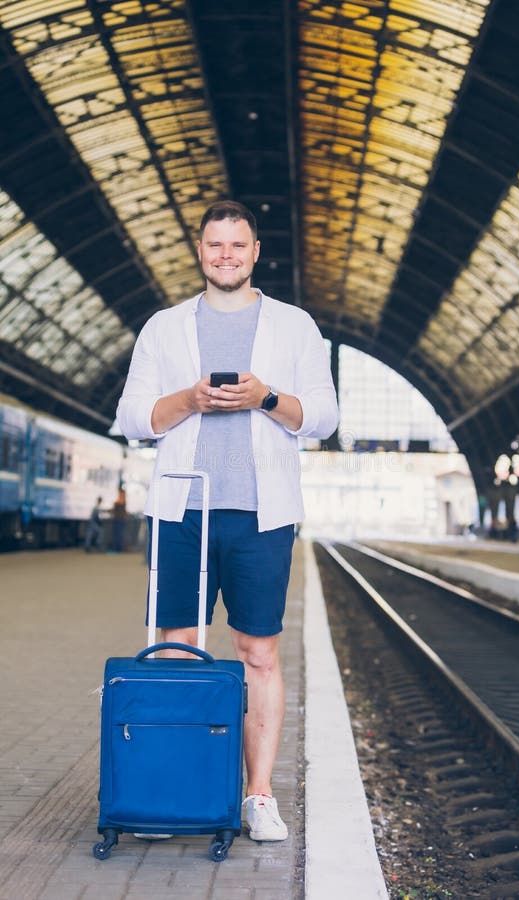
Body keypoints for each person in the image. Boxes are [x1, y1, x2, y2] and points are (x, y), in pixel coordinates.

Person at [116, 200, 339, 843]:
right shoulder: (164, 328)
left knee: (257, 653)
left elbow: (321, 418)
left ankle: (259, 795)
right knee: (179, 648)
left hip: (262, 514)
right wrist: (188, 400)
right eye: (215, 245)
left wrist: (264, 397)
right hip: (181, 509)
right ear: (200, 251)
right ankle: (176, 783)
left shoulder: (295, 327)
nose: (226, 256)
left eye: (237, 246)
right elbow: (132, 419)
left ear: (256, 252)